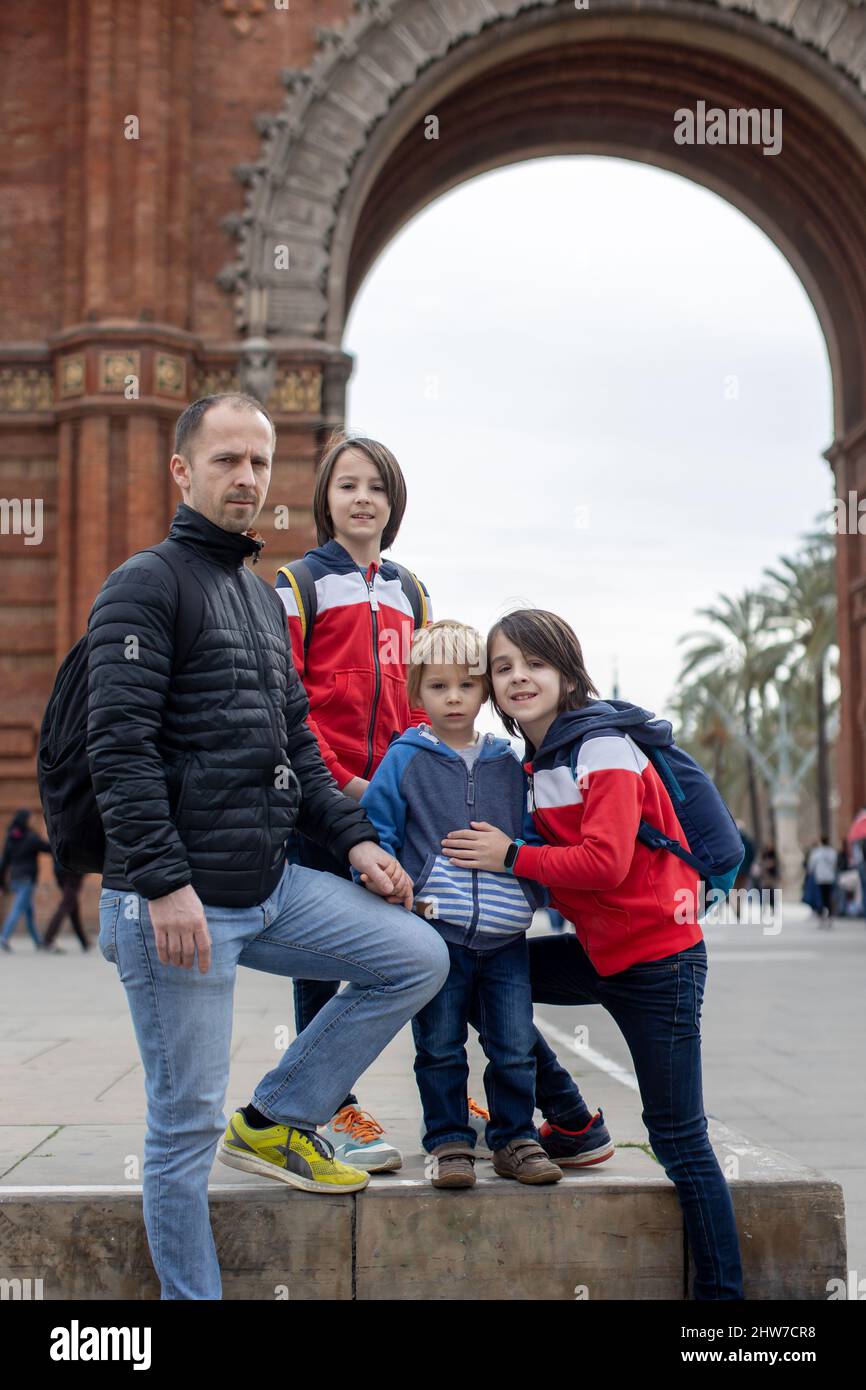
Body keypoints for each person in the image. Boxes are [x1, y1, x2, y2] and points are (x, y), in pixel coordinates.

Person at [88, 393, 449, 1300]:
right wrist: (164, 884)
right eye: (225, 461)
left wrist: (360, 846)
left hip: (269, 887)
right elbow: (117, 748)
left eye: (258, 462)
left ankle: (280, 1114)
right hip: (177, 906)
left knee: (414, 955)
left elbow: (299, 749)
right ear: (183, 470)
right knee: (181, 1127)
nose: (246, 477)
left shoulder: (257, 596)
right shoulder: (146, 583)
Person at [443, 609, 744, 1300]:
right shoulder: (539, 759)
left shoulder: (601, 745)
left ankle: (727, 1309)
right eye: (504, 667)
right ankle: (573, 1122)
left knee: (678, 1140)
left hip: (661, 963)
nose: (519, 677)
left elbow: (606, 863)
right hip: (601, 952)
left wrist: (512, 856)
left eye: (535, 663)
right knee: (480, 975)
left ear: (567, 672)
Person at [275, 433, 489, 1171]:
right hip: (325, 805)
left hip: (399, 806)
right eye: (347, 485)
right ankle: (330, 1108)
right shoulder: (295, 585)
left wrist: (422, 780)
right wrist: (344, 785)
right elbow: (289, 706)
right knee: (323, 957)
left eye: (377, 487)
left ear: (393, 504)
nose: (363, 497)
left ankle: (447, 1095)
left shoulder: (412, 591)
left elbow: (425, 699)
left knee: (427, 942)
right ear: (325, 500)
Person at [357, 619, 561, 1188]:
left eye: (467, 685)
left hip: (506, 941)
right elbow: (376, 832)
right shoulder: (405, 758)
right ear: (416, 692)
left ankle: (516, 1139)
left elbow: (536, 833)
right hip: (435, 936)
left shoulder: (508, 761)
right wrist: (385, 879)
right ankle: (448, 1143)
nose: (453, 698)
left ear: (485, 691)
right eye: (437, 686)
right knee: (440, 1047)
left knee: (514, 1045)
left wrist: (528, 890)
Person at [0, 808, 51, 951]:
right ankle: (4, 937)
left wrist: (2, 883)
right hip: (27, 880)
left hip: (15, 879)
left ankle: (38, 941)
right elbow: (48, 848)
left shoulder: (11, 837)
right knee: (17, 909)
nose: (32, 821)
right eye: (31, 819)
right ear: (25, 820)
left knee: (28, 912)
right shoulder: (31, 837)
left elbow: (5, 862)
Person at [42, 859, 89, 953]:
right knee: (66, 904)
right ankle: (48, 939)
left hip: (60, 870)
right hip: (73, 870)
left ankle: (84, 941)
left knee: (72, 904)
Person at [806, 835, 837, 926]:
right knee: (828, 897)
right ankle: (830, 916)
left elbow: (811, 866)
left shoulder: (817, 853)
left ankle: (821, 916)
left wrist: (810, 873)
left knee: (821, 898)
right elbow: (834, 864)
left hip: (820, 878)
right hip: (830, 878)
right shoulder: (832, 852)